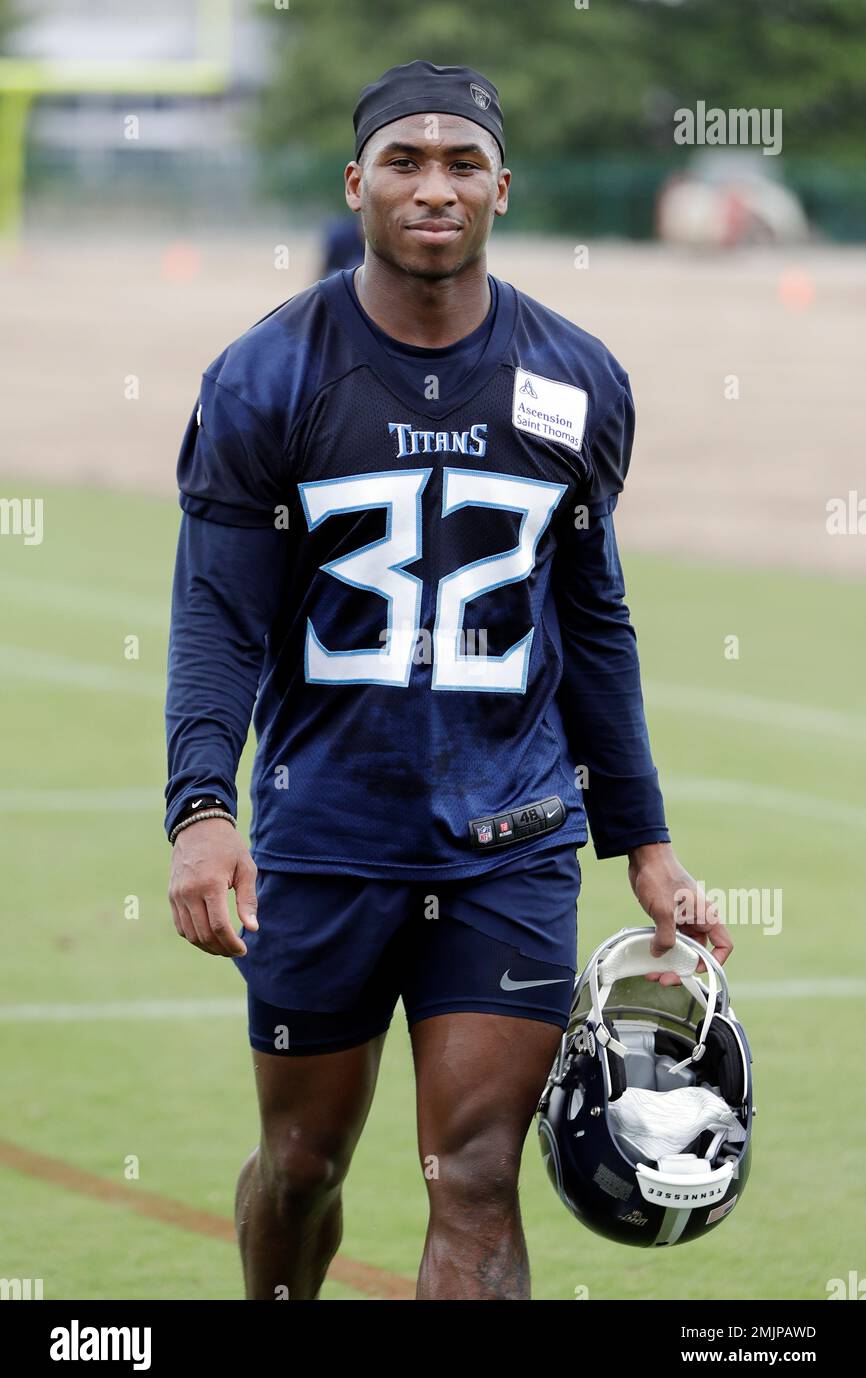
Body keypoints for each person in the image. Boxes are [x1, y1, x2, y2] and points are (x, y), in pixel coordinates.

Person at [164, 59, 732, 1301]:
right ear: (356, 181)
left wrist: (645, 846)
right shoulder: (266, 375)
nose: (435, 187)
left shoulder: (576, 379)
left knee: (472, 1172)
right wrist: (203, 811)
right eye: (407, 162)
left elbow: (592, 619)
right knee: (303, 1161)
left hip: (508, 837)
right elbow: (217, 616)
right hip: (324, 833)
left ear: (501, 188)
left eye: (462, 162)